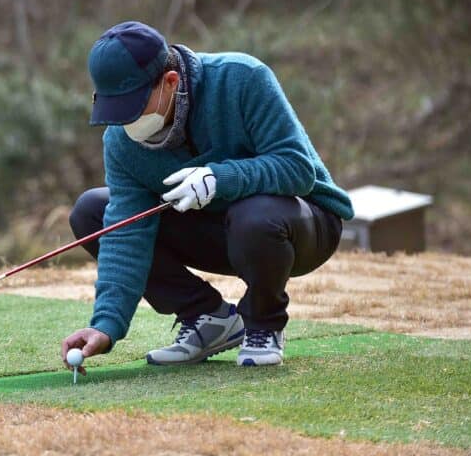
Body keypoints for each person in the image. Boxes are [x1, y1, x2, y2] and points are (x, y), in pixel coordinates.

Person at [61, 21, 353, 369]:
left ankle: (263, 324)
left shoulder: (242, 78)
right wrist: (106, 324)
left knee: (255, 215)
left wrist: (220, 178)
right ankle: (207, 317)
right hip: (220, 230)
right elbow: (126, 231)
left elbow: (298, 169)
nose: (125, 122)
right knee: (93, 212)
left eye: (133, 107)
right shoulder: (121, 142)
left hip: (301, 225)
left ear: (170, 82)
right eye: (114, 109)